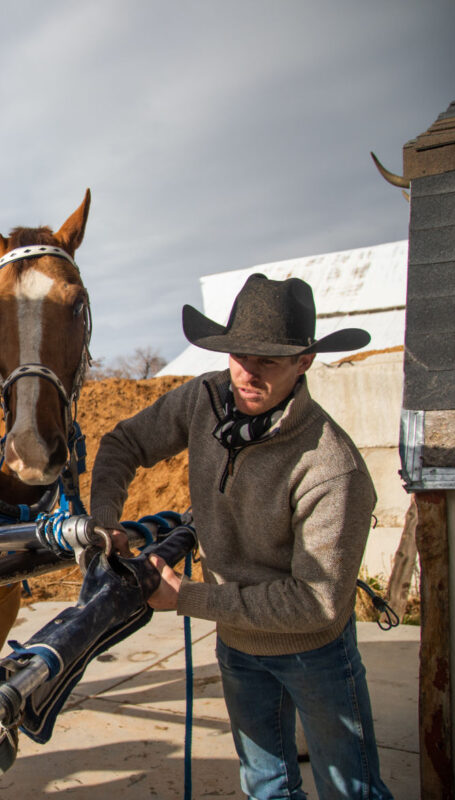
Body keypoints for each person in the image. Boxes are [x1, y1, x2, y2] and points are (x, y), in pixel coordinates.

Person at [89, 273, 393, 800]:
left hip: (313, 652)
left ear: (305, 363)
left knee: (352, 791)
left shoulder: (332, 468)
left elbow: (317, 604)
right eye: (238, 355)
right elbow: (123, 443)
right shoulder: (204, 398)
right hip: (236, 640)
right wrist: (107, 519)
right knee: (265, 787)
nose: (247, 373)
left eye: (268, 360)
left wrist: (188, 597)